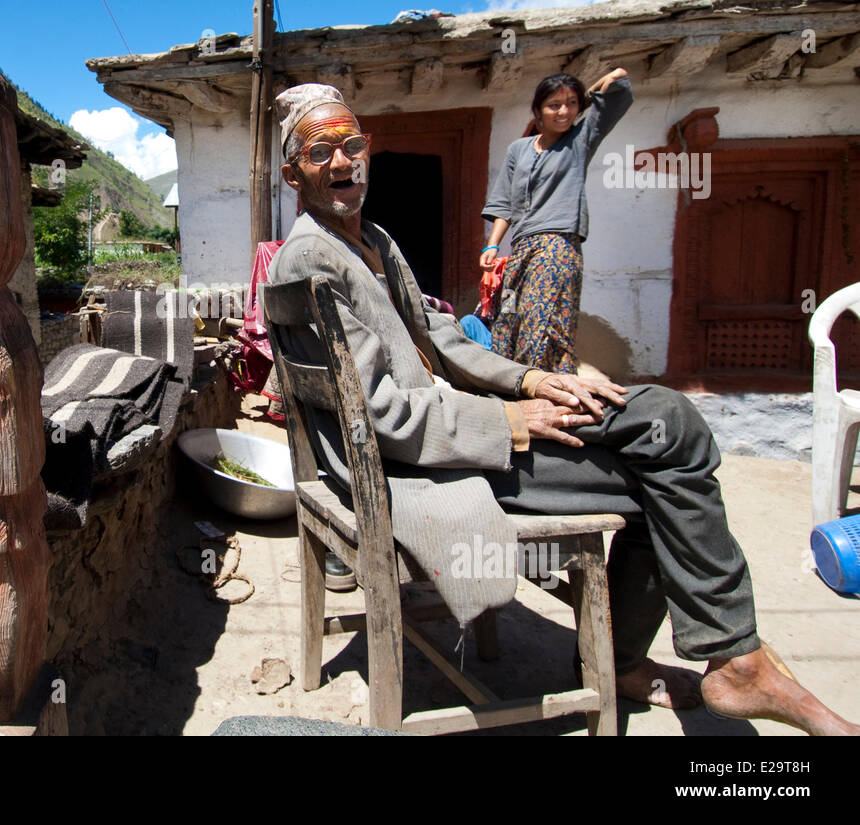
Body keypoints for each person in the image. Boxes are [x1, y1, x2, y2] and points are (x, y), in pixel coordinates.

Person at [266, 82, 858, 735]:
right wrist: (506, 421)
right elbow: (380, 418)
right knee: (664, 470)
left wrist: (529, 381)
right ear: (294, 173)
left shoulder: (371, 238)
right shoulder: (307, 263)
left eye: (351, 145)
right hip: (415, 470)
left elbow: (442, 338)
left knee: (667, 420)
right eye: (321, 153)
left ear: (367, 149)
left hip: (458, 427)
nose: (342, 163)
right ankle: (680, 660)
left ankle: (719, 657)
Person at [481, 70, 632, 373]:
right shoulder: (518, 150)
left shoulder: (580, 139)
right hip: (522, 249)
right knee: (510, 322)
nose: (563, 112)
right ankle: (519, 395)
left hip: (557, 245)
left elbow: (619, 82)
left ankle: (548, 392)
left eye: (571, 104)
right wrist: (492, 245)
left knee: (544, 324)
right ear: (537, 111)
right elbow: (504, 203)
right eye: (554, 105)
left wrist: (586, 100)